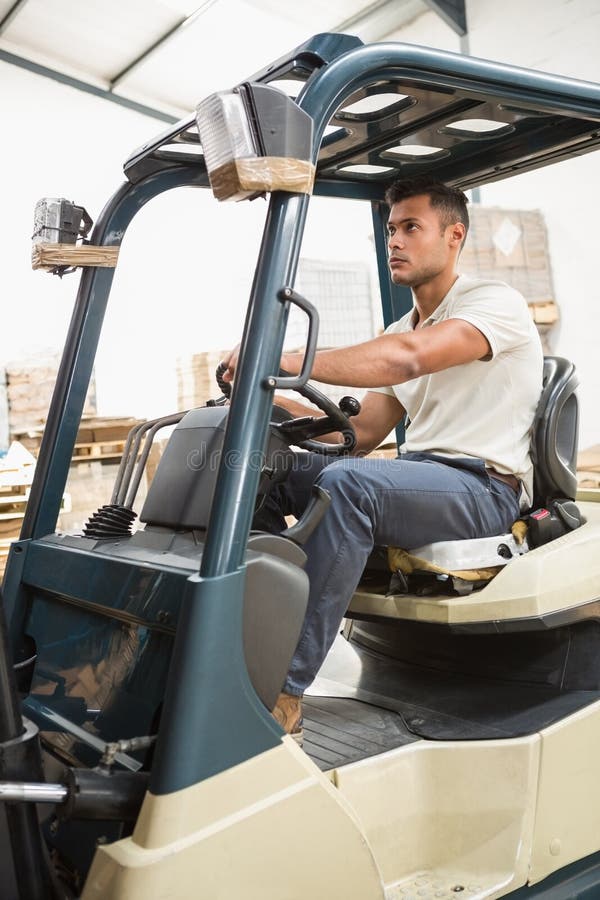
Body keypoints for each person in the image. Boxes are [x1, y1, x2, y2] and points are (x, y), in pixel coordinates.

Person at [222, 175, 544, 742]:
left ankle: (283, 691)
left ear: (454, 236)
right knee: (263, 470)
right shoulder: (402, 326)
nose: (395, 239)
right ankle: (243, 645)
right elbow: (364, 433)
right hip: (419, 480)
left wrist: (284, 353)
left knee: (351, 486)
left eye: (411, 227)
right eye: (391, 228)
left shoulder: (493, 303)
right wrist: (271, 397)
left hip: (482, 491)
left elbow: (409, 360)